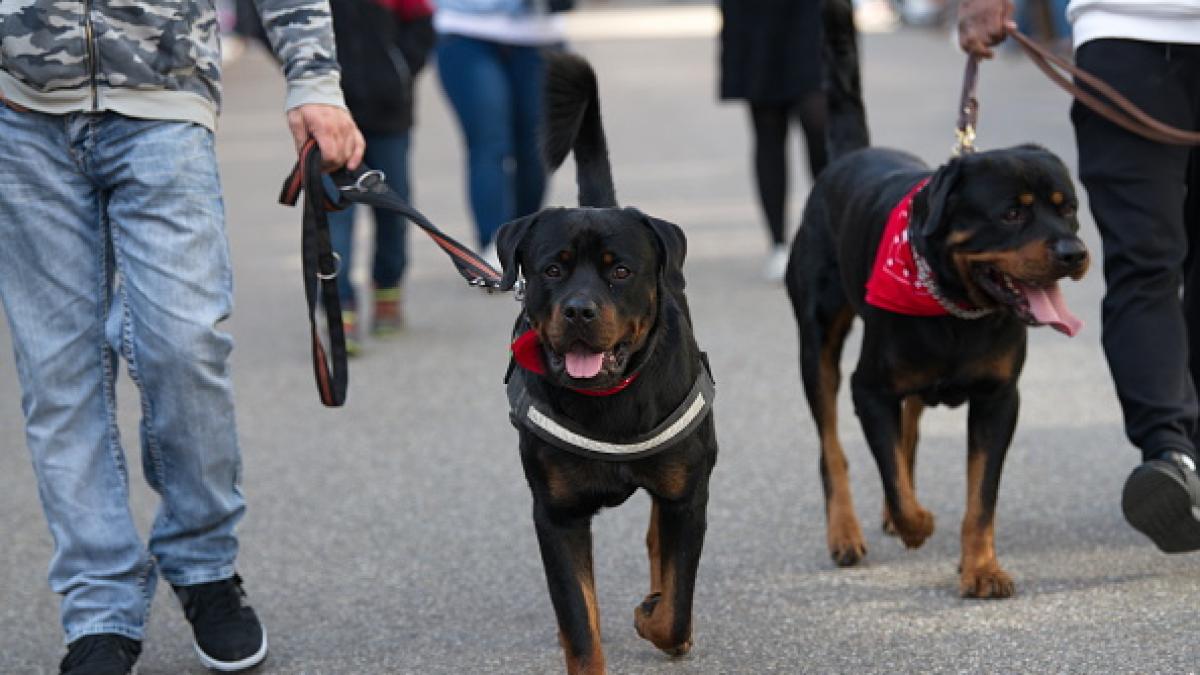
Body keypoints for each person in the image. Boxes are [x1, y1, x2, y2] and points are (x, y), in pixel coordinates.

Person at [0, 2, 365, 674]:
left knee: (184, 346)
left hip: (164, 94)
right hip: (18, 110)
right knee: (57, 376)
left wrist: (313, 77)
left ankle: (203, 564)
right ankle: (99, 609)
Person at [960, 0, 1200, 553]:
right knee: (1146, 259)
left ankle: (1181, 455)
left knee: (1148, 265)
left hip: (1125, 41)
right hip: (1128, 30)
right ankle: (1171, 454)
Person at [329, 0, 437, 353]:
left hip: (388, 113)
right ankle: (339, 310)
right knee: (333, 214)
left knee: (393, 209)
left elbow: (422, 22)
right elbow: (272, 22)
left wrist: (398, 69)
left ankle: (388, 291)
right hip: (329, 116)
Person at [434, 0, 571, 264]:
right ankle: (495, 248)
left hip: (540, 36)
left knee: (536, 150)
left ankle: (524, 242)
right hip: (466, 30)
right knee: (490, 144)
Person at [719, 0, 829, 281]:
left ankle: (831, 230)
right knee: (768, 124)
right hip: (756, 14)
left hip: (809, 12)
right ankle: (779, 244)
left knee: (819, 120)